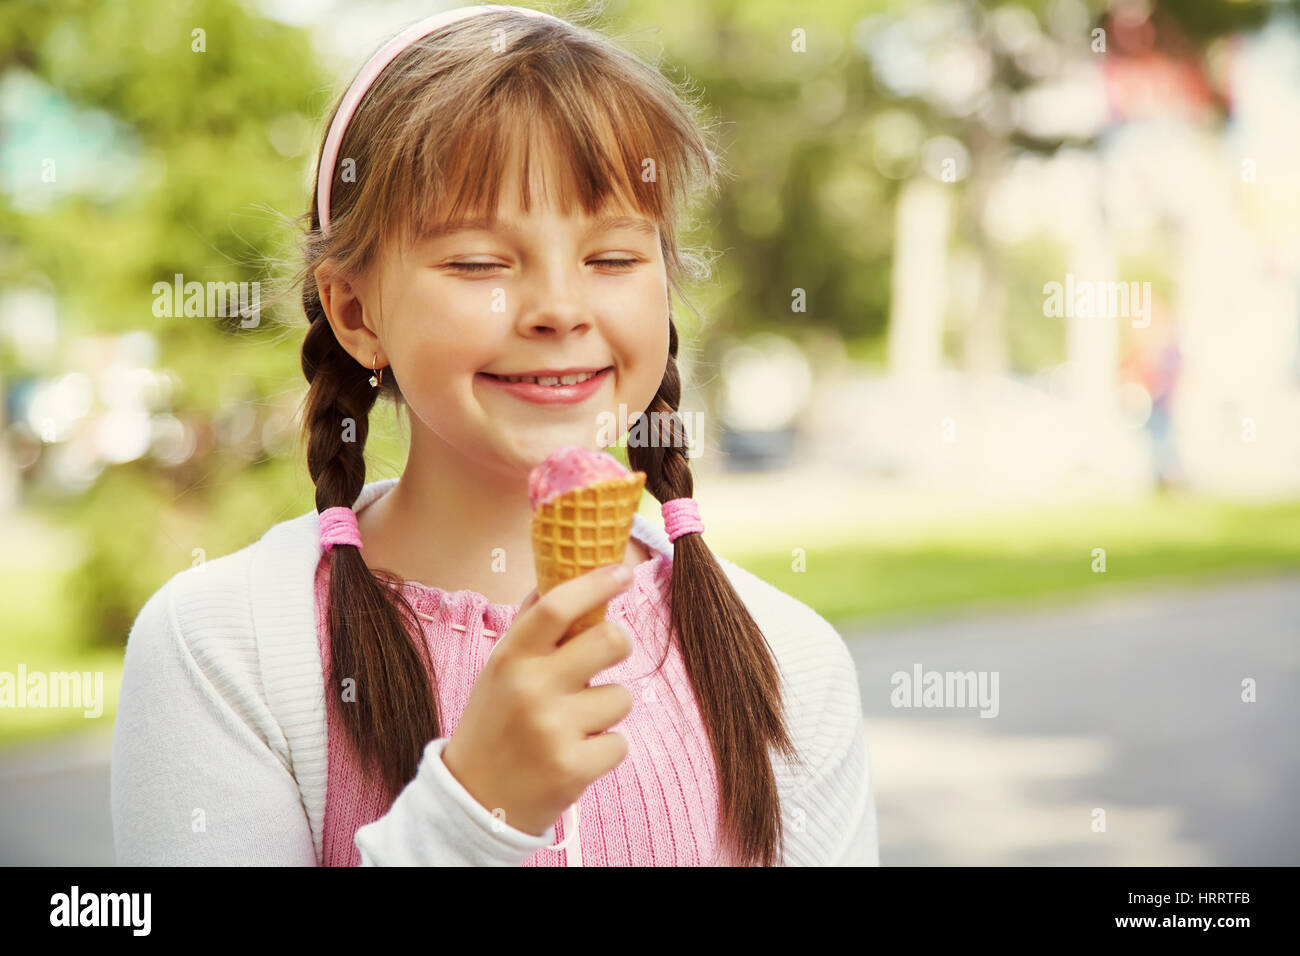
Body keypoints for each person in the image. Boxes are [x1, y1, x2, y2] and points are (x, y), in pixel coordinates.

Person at [110, 4, 878, 867]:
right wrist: (476, 809)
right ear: (357, 312)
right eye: (479, 263)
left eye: (613, 258)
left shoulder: (788, 658)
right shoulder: (225, 646)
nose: (557, 309)